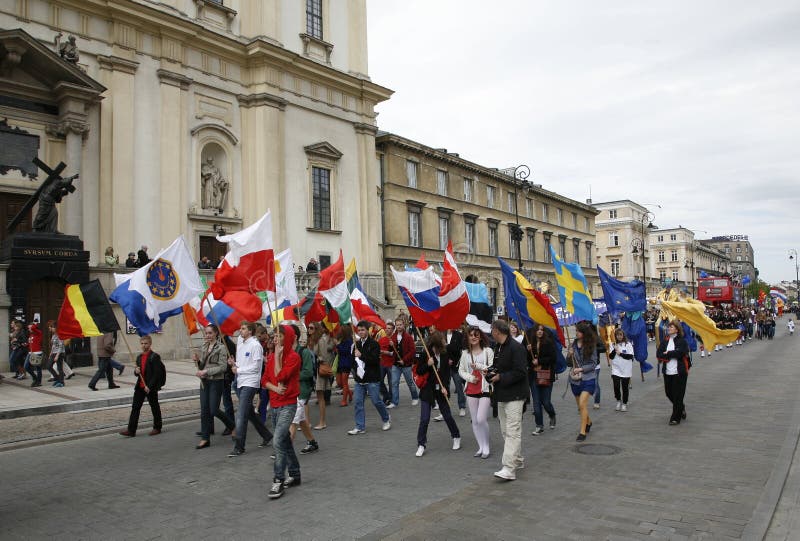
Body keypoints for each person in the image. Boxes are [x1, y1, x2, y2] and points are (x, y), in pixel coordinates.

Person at [262, 325, 302, 500]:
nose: (275, 339)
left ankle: (278, 479)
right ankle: (295, 474)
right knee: (285, 441)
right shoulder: (270, 357)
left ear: (287, 338)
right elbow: (265, 380)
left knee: (277, 440)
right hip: (275, 403)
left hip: (288, 404)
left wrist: (278, 357)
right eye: (274, 335)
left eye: (279, 336)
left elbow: (281, 376)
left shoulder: (294, 357)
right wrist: (274, 389)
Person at [487, 319, 528, 481]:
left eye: (492, 330)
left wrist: (500, 377)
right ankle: (517, 460)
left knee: (512, 431)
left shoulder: (516, 348)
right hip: (502, 394)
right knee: (505, 430)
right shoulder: (499, 347)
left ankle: (509, 468)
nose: (491, 333)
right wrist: (489, 372)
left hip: (515, 395)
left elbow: (520, 372)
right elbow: (497, 366)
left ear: (497, 331)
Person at [227, 321, 272, 456]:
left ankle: (239, 446)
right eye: (240, 328)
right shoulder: (241, 341)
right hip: (240, 381)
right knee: (249, 412)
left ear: (250, 331)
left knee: (241, 414)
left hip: (250, 383)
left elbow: (255, 367)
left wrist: (239, 369)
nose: (240, 331)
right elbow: (241, 362)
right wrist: (233, 364)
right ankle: (267, 435)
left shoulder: (255, 345)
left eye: (243, 329)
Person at [414, 331, 461, 457]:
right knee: (424, 418)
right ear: (436, 344)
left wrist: (445, 387)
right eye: (443, 341)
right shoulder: (426, 353)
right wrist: (428, 365)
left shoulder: (445, 354)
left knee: (447, 415)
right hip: (427, 389)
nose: (445, 343)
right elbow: (419, 370)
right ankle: (421, 444)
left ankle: (456, 436)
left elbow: (446, 373)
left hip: (441, 389)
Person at [193, 325, 235, 449]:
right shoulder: (204, 346)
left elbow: (222, 367)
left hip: (216, 381)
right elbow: (202, 365)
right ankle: (205, 438)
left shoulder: (221, 348)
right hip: (205, 381)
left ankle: (232, 426)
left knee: (214, 410)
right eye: (206, 333)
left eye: (210, 333)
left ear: (216, 333)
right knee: (204, 411)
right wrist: (197, 362)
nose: (208, 335)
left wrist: (206, 372)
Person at [348, 321, 392, 435]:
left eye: (363, 330)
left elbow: (374, 361)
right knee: (358, 402)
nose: (361, 332)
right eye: (359, 330)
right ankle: (360, 426)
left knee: (376, 401)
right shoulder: (356, 344)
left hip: (372, 378)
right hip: (360, 379)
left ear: (368, 330)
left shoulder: (374, 344)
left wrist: (361, 355)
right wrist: (355, 369)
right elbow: (353, 361)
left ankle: (386, 418)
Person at [458, 326, 494, 458]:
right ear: (467, 337)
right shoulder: (465, 353)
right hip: (471, 388)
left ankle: (487, 446)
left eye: (476, 335)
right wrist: (470, 377)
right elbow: (461, 370)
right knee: (474, 420)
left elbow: (491, 368)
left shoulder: (488, 351)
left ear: (480, 337)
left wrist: (478, 366)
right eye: (471, 335)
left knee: (481, 418)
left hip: (484, 388)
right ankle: (481, 446)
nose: (473, 337)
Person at [120, 335, 165, 437]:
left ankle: (157, 427)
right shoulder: (139, 357)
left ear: (150, 344)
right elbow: (138, 373)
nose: (144, 346)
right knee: (135, 407)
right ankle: (131, 430)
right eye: (142, 344)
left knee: (154, 406)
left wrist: (150, 386)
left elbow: (156, 373)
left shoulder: (154, 357)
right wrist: (136, 371)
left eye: (146, 344)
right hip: (140, 386)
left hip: (150, 387)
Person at [287, 324, 319, 455]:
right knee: (300, 419)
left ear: (294, 337)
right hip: (290, 390)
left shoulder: (304, 352)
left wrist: (291, 375)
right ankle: (312, 442)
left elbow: (308, 372)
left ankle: (284, 449)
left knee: (294, 419)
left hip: (302, 390)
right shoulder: (286, 352)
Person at [568, 321, 599, 442]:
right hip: (575, 379)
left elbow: (593, 363)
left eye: (578, 331)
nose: (576, 333)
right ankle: (589, 421)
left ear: (584, 333)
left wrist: (581, 368)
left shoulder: (591, 345)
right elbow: (569, 363)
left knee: (582, 404)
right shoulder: (573, 345)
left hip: (588, 378)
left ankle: (582, 431)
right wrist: (569, 355)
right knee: (580, 407)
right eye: (576, 331)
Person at [656, 319, 691, 426]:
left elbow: (680, 353)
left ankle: (675, 417)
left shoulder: (682, 341)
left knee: (678, 395)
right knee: (669, 393)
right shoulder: (665, 341)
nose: (669, 328)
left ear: (677, 329)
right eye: (668, 327)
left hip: (679, 372)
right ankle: (681, 407)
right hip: (668, 372)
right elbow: (659, 354)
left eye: (671, 327)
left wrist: (669, 353)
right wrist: (669, 354)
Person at [526, 324, 557, 435]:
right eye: (538, 330)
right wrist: (527, 350)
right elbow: (526, 360)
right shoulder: (530, 343)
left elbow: (553, 358)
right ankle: (539, 426)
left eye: (542, 330)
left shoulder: (548, 343)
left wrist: (539, 361)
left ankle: (552, 414)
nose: (540, 331)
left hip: (546, 375)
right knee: (536, 402)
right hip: (534, 376)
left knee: (546, 402)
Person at [389, 317, 420, 408]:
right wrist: (390, 346)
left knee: (409, 382)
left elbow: (412, 351)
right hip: (396, 364)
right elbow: (391, 350)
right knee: (394, 383)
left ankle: (415, 397)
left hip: (406, 364)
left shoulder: (408, 337)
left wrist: (404, 360)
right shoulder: (393, 336)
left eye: (400, 325)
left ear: (404, 325)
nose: (399, 326)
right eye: (397, 325)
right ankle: (394, 402)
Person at [308, 323, 334, 429]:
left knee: (320, 397)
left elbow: (323, 356)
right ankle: (313, 422)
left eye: (311, 328)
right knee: (318, 397)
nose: (309, 330)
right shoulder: (313, 340)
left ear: (316, 329)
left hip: (319, 371)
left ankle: (322, 422)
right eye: (308, 328)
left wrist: (317, 356)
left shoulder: (320, 340)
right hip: (314, 370)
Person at [444, 324, 467, 417]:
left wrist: (447, 346)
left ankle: (462, 407)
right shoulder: (441, 334)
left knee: (458, 386)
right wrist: (446, 358)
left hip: (456, 366)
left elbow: (458, 349)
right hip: (444, 366)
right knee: (445, 387)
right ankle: (444, 408)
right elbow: (439, 349)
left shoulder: (458, 335)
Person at [609, 328, 635, 412]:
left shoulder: (628, 344)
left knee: (624, 387)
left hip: (626, 369)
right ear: (615, 336)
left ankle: (624, 403)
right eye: (617, 335)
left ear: (623, 335)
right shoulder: (612, 344)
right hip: (616, 369)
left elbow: (630, 356)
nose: (619, 336)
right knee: (616, 386)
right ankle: (618, 400)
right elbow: (611, 356)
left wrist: (620, 354)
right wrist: (614, 350)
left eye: (620, 334)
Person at [334, 326, 354, 406]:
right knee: (339, 382)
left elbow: (346, 351)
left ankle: (344, 400)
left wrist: (338, 345)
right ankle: (349, 392)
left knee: (344, 382)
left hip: (346, 363)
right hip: (340, 362)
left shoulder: (349, 341)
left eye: (341, 330)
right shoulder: (341, 340)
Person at [377, 322, 395, 404]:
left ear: (393, 330)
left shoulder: (394, 340)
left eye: (389, 328)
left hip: (391, 364)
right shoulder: (381, 340)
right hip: (382, 363)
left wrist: (386, 352)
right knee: (379, 381)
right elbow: (377, 351)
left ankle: (390, 399)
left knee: (391, 383)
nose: (387, 329)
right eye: (386, 328)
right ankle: (386, 395)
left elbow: (395, 353)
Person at [24, 320, 43, 387]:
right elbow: (31, 343)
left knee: (38, 368)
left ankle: (39, 382)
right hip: (30, 353)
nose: (29, 329)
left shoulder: (39, 333)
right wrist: (26, 344)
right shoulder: (31, 334)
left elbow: (33, 328)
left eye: (30, 328)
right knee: (26, 367)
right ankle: (35, 378)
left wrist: (34, 324)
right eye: (28, 328)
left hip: (37, 353)